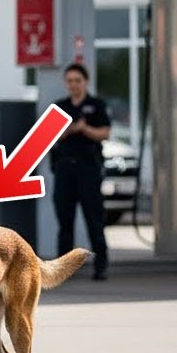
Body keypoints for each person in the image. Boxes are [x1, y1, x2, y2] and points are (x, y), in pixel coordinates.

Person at [49, 63, 111, 281]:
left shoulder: (96, 105)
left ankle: (101, 264)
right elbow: (50, 136)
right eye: (70, 81)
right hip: (65, 169)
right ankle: (63, 268)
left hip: (88, 168)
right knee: (64, 220)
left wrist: (85, 129)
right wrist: (72, 130)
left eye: (77, 80)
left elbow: (104, 132)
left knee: (93, 217)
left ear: (85, 82)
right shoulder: (60, 107)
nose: (73, 85)